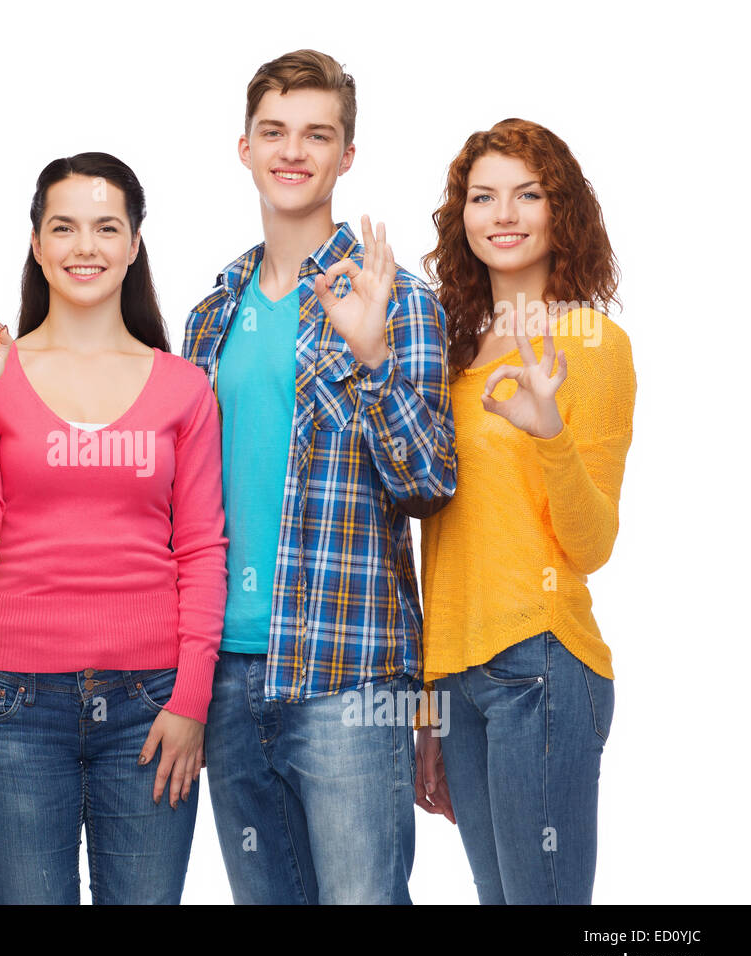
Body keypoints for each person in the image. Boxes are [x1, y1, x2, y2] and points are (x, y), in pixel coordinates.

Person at [183, 49, 457, 905]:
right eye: (274, 132)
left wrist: (371, 355)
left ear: (347, 156)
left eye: (317, 135)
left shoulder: (399, 300)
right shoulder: (211, 314)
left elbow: (429, 482)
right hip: (228, 672)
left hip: (350, 673)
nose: (292, 151)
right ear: (244, 148)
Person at [0, 152, 228, 905]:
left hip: (152, 701)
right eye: (63, 227)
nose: (85, 247)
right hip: (14, 703)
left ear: (134, 245)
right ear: (37, 244)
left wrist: (192, 697)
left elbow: (201, 549)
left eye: (106, 227)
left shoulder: (182, 386)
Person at [416, 118, 635, 904]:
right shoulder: (449, 349)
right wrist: (428, 699)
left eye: (527, 194)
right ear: (462, 215)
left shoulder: (592, 344)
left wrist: (548, 435)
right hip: (459, 679)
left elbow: (592, 542)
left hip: (539, 667)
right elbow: (440, 536)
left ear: (558, 211)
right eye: (483, 197)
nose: (503, 214)